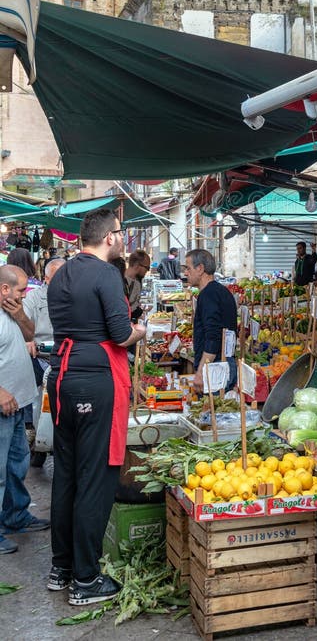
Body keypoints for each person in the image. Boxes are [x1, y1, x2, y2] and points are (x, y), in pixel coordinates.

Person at [46, 209, 146, 605]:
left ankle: (62, 568)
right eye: (120, 234)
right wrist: (140, 330)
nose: (122, 240)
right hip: (94, 377)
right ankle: (86, 581)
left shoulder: (62, 274)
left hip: (62, 377)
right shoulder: (106, 274)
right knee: (94, 478)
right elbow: (121, 334)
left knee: (66, 475)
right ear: (109, 238)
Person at [0, 265, 50, 555]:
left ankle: (16, 516)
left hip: (18, 403)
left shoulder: (11, 309)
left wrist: (19, 313)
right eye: (20, 290)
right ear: (5, 289)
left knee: (16, 465)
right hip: (4, 403)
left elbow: (31, 331)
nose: (24, 294)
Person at [184, 249, 237, 394]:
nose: (185, 273)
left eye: (188, 268)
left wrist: (201, 372)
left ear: (200, 268)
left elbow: (213, 337)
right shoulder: (222, 291)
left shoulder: (208, 295)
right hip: (225, 363)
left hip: (215, 369)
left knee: (213, 413)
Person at [124, 249, 151, 321]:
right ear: (137, 265)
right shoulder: (121, 282)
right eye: (147, 268)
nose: (147, 271)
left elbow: (134, 305)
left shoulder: (138, 281)